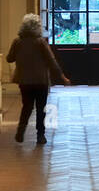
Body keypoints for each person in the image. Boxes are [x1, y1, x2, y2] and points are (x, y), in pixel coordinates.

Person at [6, 13, 71, 145]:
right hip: (40, 81)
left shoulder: (17, 42)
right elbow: (51, 61)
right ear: (38, 27)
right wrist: (62, 76)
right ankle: (40, 135)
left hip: (24, 81)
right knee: (41, 108)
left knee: (27, 106)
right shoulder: (40, 42)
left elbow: (9, 58)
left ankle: (21, 130)